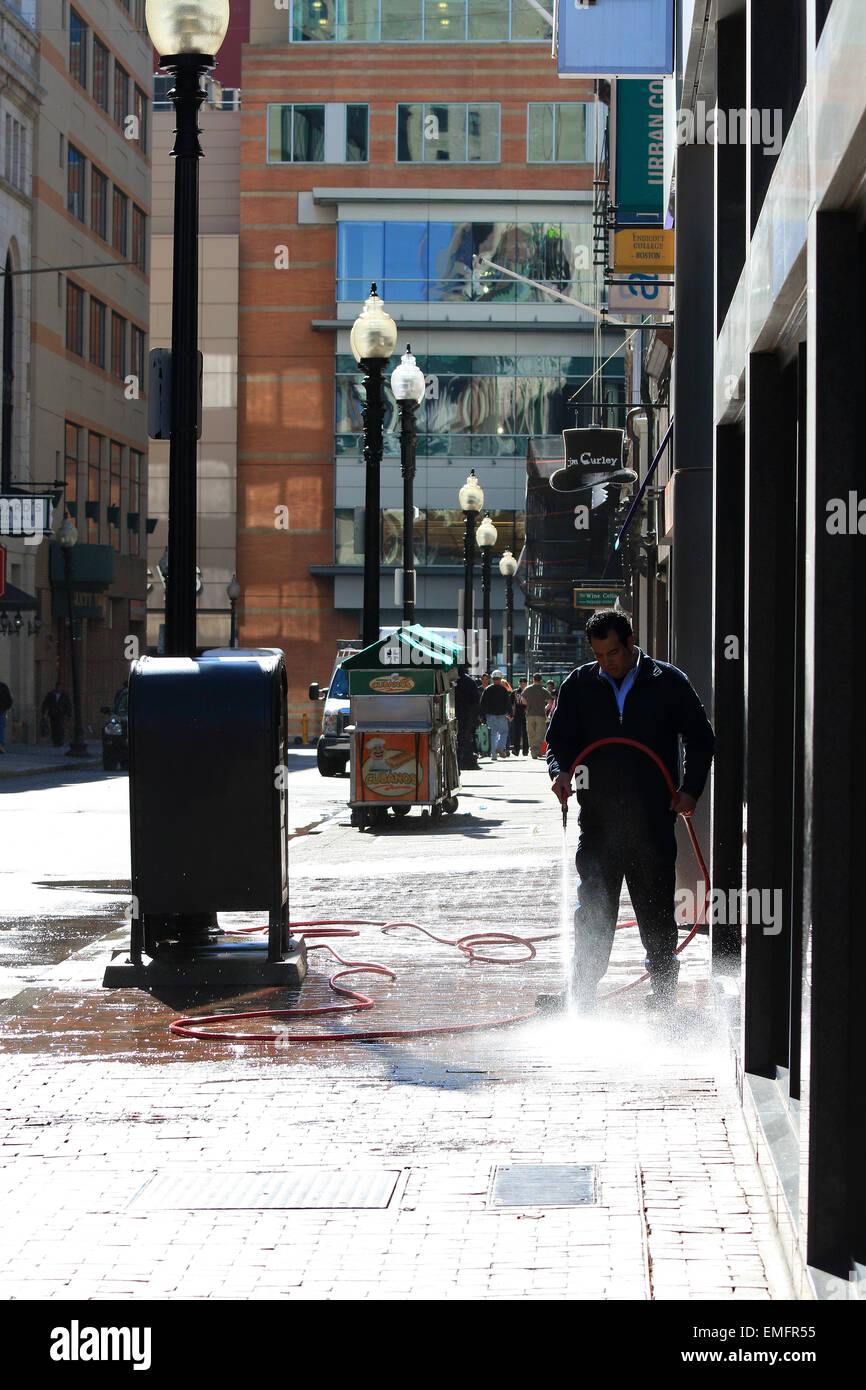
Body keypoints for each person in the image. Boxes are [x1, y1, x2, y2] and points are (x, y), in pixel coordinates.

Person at [540, 609, 714, 1015]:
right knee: (594, 909)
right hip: (598, 821)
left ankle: (665, 994)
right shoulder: (579, 684)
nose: (607, 663)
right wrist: (560, 772)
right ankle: (580, 993)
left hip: (652, 820)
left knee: (655, 910)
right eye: (599, 655)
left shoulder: (667, 682)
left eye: (614, 653)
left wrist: (689, 791)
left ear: (631, 641)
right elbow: (559, 740)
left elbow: (702, 738)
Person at [479, 669, 513, 761]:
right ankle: (500, 747)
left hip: (490, 715)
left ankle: (493, 755)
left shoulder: (487, 689)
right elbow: (508, 703)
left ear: (492, 679)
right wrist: (510, 713)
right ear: (500, 678)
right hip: (501, 715)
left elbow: (482, 703)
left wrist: (482, 715)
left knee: (493, 734)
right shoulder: (504, 690)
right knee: (504, 732)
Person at [454, 665, 481, 771]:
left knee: (456, 739)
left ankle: (458, 763)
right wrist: (476, 716)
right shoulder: (469, 681)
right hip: (467, 715)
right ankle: (463, 761)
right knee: (464, 739)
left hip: (454, 713)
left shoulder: (450, 679)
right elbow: (476, 700)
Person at [524, 673, 549, 758]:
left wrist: (529, 705)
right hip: (540, 715)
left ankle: (533, 751)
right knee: (540, 733)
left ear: (533, 680)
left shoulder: (527, 689)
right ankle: (537, 750)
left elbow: (523, 700)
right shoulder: (544, 690)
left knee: (531, 734)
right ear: (541, 680)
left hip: (530, 714)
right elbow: (550, 702)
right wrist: (545, 709)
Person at [41, 682, 72, 748]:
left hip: (61, 714)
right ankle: (55, 741)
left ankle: (60, 740)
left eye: (60, 687)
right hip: (53, 714)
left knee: (60, 727)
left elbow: (68, 705)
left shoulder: (64, 695)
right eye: (58, 687)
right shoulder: (50, 694)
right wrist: (44, 713)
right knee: (53, 727)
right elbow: (46, 703)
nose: (59, 688)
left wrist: (68, 714)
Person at [508, 677, 529, 756]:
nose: (523, 685)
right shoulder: (515, 692)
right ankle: (516, 750)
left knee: (525, 733)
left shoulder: (528, 692)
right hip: (517, 714)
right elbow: (510, 704)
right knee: (517, 733)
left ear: (526, 684)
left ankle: (525, 750)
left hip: (526, 714)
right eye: (521, 683)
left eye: (524, 684)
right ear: (519, 683)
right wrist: (510, 714)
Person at [0, 679, 11, 753]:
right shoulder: (3, 686)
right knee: (1, 727)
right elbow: (9, 699)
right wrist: (6, 708)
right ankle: (0, 745)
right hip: (2, 710)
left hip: (2, 710)